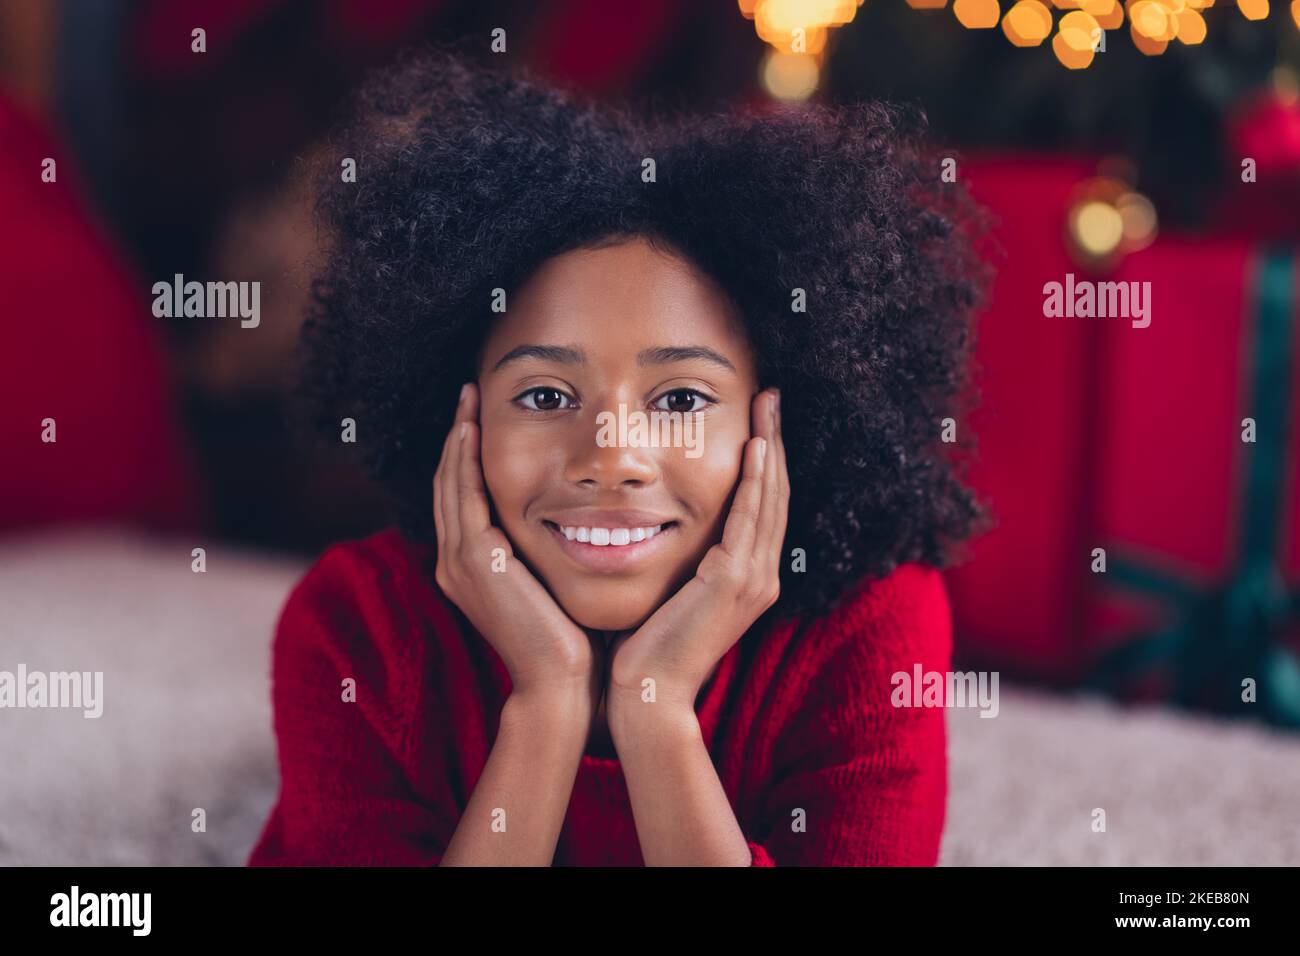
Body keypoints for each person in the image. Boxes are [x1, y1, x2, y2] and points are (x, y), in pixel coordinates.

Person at [248, 45, 986, 866]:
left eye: (680, 400)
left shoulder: (872, 621)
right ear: (462, 418)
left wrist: (656, 708)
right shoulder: (357, 629)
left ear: (775, 423)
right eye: (544, 396)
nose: (612, 457)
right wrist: (548, 701)